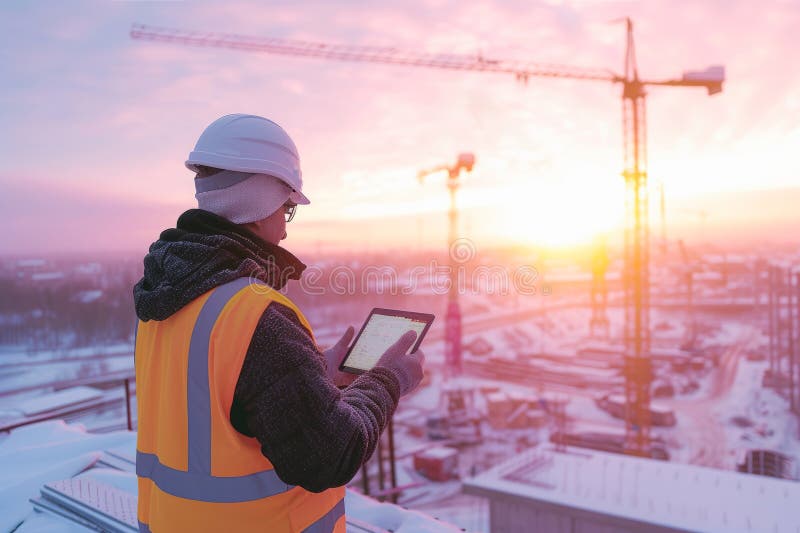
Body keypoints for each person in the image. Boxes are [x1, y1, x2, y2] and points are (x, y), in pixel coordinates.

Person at [133, 114, 426, 532]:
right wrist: (389, 379)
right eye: (287, 209)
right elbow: (330, 455)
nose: (285, 233)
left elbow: (213, 401)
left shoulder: (165, 295)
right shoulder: (257, 316)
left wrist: (311, 377)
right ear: (258, 204)